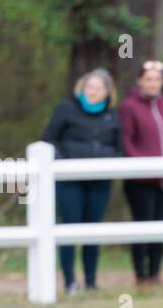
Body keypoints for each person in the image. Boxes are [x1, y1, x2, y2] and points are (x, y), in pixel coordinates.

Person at [42, 69, 122, 293]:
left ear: (107, 92)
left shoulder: (112, 116)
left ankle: (90, 280)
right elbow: (49, 140)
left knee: (92, 231)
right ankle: (69, 281)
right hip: (70, 180)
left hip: (99, 182)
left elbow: (119, 149)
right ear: (82, 88)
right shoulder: (66, 110)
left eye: (99, 88)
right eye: (90, 87)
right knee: (70, 229)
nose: (93, 92)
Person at [120, 59, 163, 285]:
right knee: (143, 224)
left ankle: (155, 274)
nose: (153, 83)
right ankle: (140, 274)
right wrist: (144, 166)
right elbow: (126, 142)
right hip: (141, 181)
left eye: (157, 79)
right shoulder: (130, 106)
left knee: (161, 225)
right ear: (140, 81)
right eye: (149, 79)